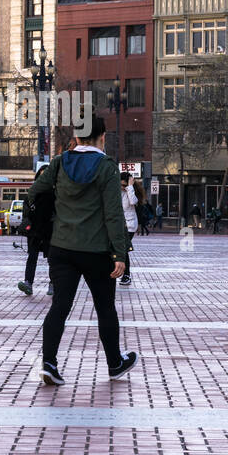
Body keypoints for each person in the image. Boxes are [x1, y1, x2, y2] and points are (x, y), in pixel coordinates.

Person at [27, 115, 137, 385]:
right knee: (105, 308)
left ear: (76, 137)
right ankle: (114, 363)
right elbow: (113, 214)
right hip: (97, 251)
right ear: (102, 137)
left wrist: (54, 217)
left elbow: (35, 192)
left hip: (62, 248)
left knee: (60, 306)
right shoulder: (107, 167)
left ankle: (49, 363)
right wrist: (120, 254)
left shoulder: (60, 163)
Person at [18, 169, 52, 296]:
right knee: (32, 257)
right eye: (41, 176)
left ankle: (52, 283)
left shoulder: (55, 192)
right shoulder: (32, 193)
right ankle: (28, 282)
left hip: (50, 230)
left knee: (52, 258)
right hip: (34, 231)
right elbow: (26, 210)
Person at [119, 172, 139, 286]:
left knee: (123, 249)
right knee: (120, 249)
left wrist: (130, 187)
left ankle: (126, 275)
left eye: (124, 185)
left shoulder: (130, 192)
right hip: (118, 225)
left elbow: (133, 201)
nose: (122, 187)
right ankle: (123, 273)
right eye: (120, 185)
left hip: (130, 225)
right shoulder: (117, 192)